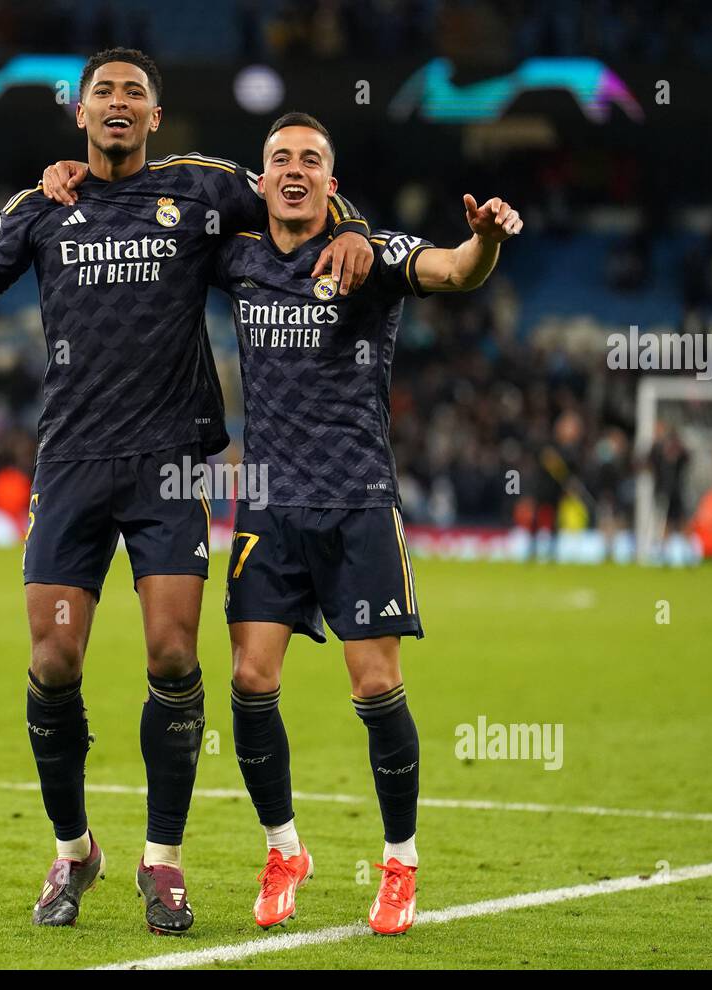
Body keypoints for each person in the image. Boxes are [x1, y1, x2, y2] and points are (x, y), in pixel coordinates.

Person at [0, 49, 373, 936]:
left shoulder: (203, 190)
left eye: (133, 93)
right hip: (71, 464)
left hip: (169, 462)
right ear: (80, 114)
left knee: (174, 658)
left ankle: (164, 863)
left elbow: (299, 194)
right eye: (103, 91)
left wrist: (358, 230)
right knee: (52, 663)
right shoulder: (39, 208)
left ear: (154, 114)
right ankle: (73, 852)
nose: (117, 104)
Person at [209, 112, 521, 934]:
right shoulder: (237, 258)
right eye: (281, 158)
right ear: (263, 177)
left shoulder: (371, 256)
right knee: (249, 680)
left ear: (332, 181)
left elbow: (455, 271)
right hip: (268, 507)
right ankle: (284, 847)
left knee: (376, 684)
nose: (295, 169)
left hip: (358, 504)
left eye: (312, 158)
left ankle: (400, 861)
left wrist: (484, 239)